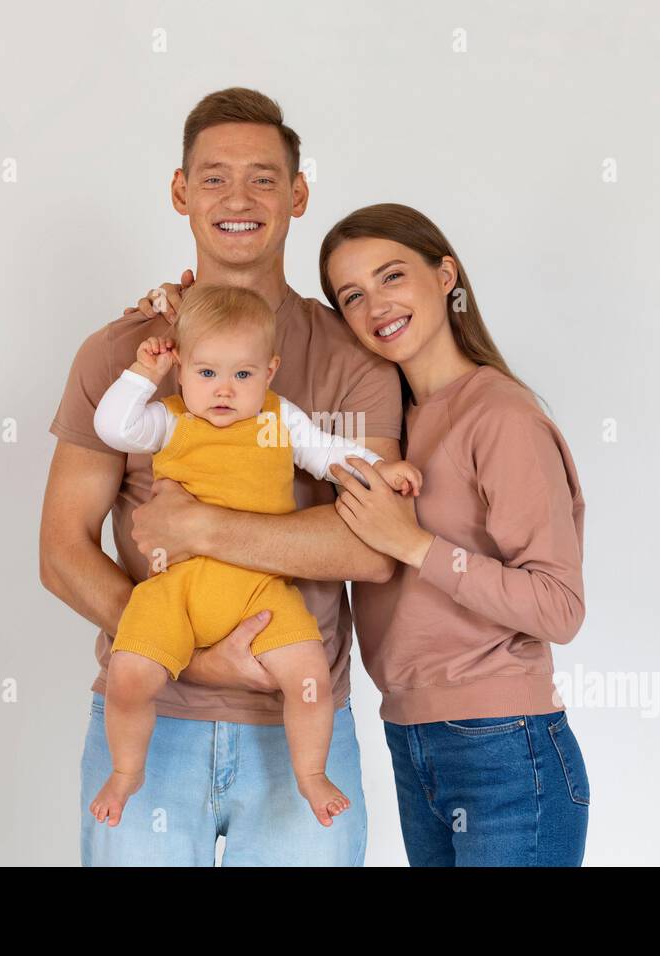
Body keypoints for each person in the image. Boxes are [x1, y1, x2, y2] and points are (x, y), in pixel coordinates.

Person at [39, 88, 402, 866]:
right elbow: (62, 551)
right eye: (214, 178)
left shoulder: (355, 360)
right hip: (149, 722)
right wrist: (188, 654)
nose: (239, 199)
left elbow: (374, 547)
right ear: (181, 192)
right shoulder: (124, 356)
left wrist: (200, 527)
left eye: (263, 178)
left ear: (297, 195)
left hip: (301, 724)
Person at [86, 284, 420, 828]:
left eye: (242, 374)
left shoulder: (277, 419)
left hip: (261, 589)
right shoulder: (170, 419)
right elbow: (114, 427)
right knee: (128, 677)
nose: (224, 389)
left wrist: (381, 471)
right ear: (180, 369)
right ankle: (126, 771)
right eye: (206, 372)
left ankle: (311, 774)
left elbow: (329, 455)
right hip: (177, 589)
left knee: (309, 675)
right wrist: (143, 375)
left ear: (270, 371)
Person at [317, 202, 591, 865]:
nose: (376, 305)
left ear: (446, 276)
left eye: (391, 275)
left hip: (506, 746)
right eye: (352, 296)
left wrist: (414, 544)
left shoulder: (500, 416)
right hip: (410, 738)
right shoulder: (385, 427)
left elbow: (559, 608)